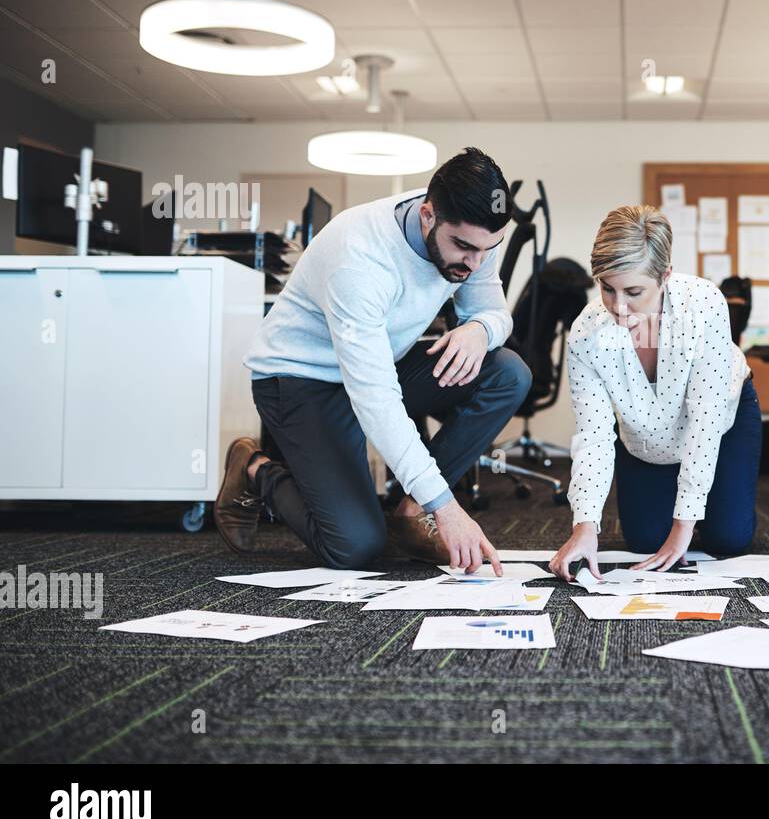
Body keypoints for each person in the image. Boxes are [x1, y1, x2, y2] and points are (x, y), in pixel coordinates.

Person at [214, 148, 532, 574]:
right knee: (357, 547)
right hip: (300, 380)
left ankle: (408, 513)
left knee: (508, 373)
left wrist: (480, 330)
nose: (474, 264)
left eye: (486, 250)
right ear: (427, 216)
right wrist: (447, 506)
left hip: (380, 362)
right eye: (462, 248)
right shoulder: (358, 258)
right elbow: (376, 398)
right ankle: (255, 468)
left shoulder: (475, 230)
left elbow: (495, 312)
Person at [549, 205, 759, 581]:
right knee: (644, 541)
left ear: (664, 276)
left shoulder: (705, 304)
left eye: (633, 291)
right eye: (607, 289)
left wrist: (683, 527)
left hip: (721, 423)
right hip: (647, 442)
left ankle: (712, 503)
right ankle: (685, 504)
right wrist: (585, 526)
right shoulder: (586, 333)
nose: (618, 306)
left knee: (729, 538)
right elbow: (594, 437)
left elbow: (705, 421)